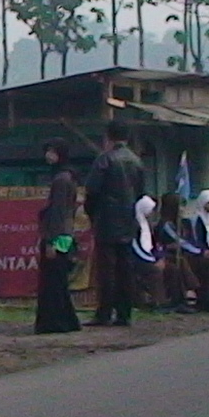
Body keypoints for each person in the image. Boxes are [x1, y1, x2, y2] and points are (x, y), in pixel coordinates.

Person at [86, 125, 147, 327]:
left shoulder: (104, 160)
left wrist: (92, 214)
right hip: (128, 219)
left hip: (106, 219)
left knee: (107, 270)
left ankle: (104, 313)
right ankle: (124, 313)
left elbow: (92, 191)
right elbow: (140, 193)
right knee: (125, 269)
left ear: (108, 137)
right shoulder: (136, 161)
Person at [34, 139, 83, 334]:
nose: (48, 155)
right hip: (64, 233)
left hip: (58, 236)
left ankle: (55, 322)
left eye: (52, 151)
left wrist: (51, 241)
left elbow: (58, 213)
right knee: (58, 280)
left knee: (53, 281)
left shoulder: (61, 180)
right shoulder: (65, 177)